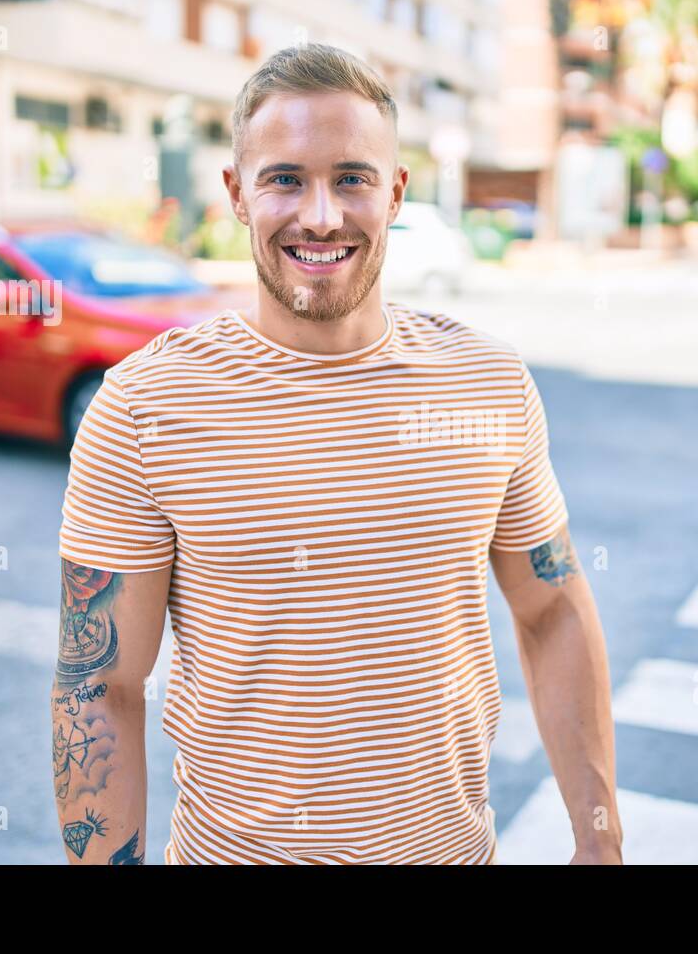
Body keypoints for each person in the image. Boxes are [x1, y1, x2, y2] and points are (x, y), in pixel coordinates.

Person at [51, 42, 622, 865]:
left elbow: (554, 608)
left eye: (351, 177)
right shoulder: (145, 406)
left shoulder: (488, 381)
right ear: (237, 195)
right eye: (285, 177)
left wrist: (599, 834)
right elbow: (97, 685)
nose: (320, 215)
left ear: (393, 193)